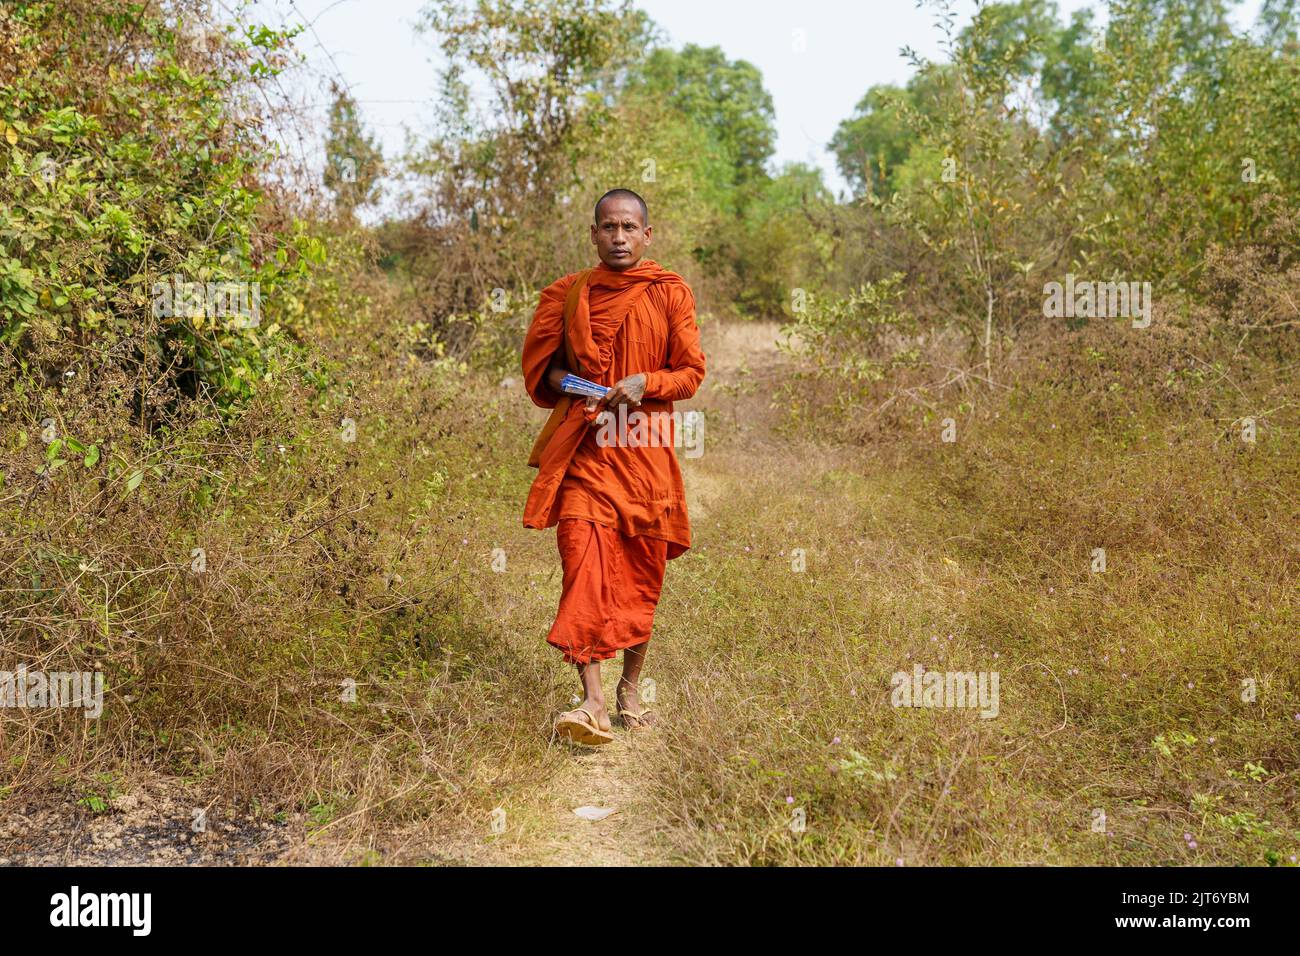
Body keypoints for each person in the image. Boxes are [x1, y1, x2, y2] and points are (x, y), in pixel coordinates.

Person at [521, 188, 706, 746]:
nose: (618, 237)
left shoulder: (669, 293)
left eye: (629, 228)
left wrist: (643, 383)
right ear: (593, 234)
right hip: (587, 447)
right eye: (608, 227)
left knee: (640, 570)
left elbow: (691, 373)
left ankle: (629, 689)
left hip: (645, 450)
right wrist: (576, 385)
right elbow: (543, 372)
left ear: (647, 235)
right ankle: (592, 701)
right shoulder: (566, 294)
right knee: (582, 560)